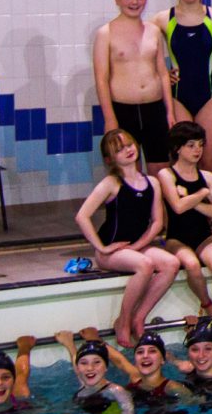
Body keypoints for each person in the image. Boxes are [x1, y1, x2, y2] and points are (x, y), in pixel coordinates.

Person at [75, 129, 181, 347]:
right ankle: (123, 322)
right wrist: (102, 248)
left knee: (172, 263)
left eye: (129, 145)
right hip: (112, 251)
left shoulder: (152, 182)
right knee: (145, 265)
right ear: (109, 159)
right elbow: (82, 216)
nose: (128, 150)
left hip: (136, 247)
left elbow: (157, 222)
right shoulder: (111, 183)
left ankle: (138, 317)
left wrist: (137, 245)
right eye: (119, 149)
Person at [158, 121, 212, 349]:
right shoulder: (166, 174)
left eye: (200, 145)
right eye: (191, 145)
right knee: (192, 265)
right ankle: (208, 303)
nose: (197, 150)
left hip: (203, 236)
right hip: (176, 238)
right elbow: (177, 208)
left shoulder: (208, 177)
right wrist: (202, 195)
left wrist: (192, 197)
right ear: (177, 148)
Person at [153, 0, 212, 175]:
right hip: (179, 97)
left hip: (210, 96)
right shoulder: (162, 19)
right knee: (181, 163)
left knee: (208, 163)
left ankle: (210, 198)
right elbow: (144, 50)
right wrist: (161, 74)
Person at [93, 0, 174, 174]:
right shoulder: (106, 33)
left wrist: (170, 112)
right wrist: (110, 118)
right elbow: (101, 79)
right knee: (130, 172)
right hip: (123, 110)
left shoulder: (153, 31)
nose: (134, 2)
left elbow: (163, 73)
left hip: (154, 109)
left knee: (161, 170)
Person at [54, 331, 135, 414]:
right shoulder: (83, 385)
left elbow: (128, 411)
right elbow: (76, 363)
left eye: (97, 362)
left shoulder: (116, 390)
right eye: (84, 363)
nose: (90, 368)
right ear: (78, 368)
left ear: (106, 367)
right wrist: (69, 344)